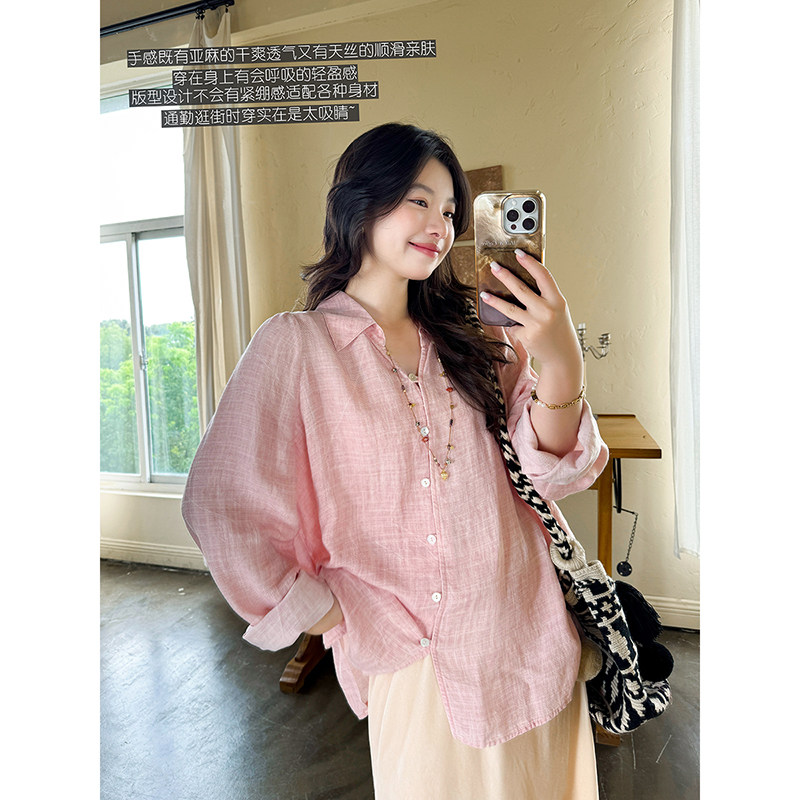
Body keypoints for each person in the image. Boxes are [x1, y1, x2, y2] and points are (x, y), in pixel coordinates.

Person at [182, 122, 609, 799]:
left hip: (532, 639)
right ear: (361, 202)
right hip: (419, 666)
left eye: (451, 210)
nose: (440, 225)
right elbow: (220, 503)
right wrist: (325, 615)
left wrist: (561, 366)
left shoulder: (478, 340)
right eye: (419, 200)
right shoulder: (298, 346)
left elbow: (553, 472)